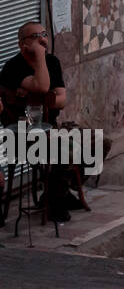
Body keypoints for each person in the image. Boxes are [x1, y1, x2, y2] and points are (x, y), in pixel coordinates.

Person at [0, 22, 76, 221]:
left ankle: (58, 193)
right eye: (35, 37)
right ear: (22, 44)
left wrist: (51, 99)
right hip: (21, 136)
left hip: (50, 129)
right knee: (63, 152)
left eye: (44, 34)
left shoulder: (52, 62)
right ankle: (56, 203)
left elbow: (61, 99)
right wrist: (40, 58)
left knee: (98, 144)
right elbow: (43, 87)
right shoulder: (13, 68)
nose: (42, 39)